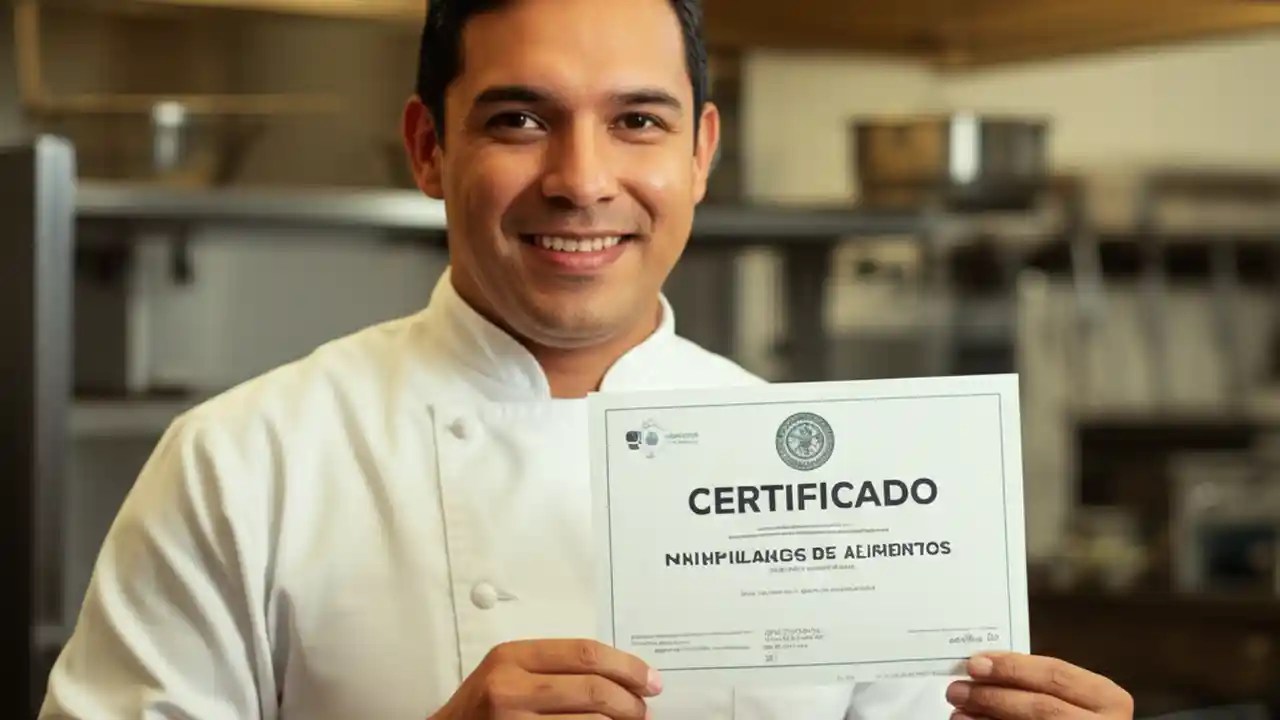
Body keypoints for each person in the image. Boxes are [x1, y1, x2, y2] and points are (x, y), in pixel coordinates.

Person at [40, 0, 1137, 718]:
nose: (579, 179)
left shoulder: (836, 485)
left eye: (637, 123)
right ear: (428, 148)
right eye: (519, 119)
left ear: (701, 153)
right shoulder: (246, 463)